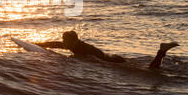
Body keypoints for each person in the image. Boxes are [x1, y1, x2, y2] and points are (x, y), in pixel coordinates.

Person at [36, 30, 179, 69]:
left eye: (65, 41)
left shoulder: (83, 48)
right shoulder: (74, 44)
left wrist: (73, 59)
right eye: (63, 41)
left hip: (113, 62)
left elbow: (95, 60)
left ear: (73, 41)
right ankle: (161, 52)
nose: (63, 44)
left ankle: (161, 52)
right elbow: (55, 44)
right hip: (113, 58)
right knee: (149, 69)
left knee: (150, 71)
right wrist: (37, 44)